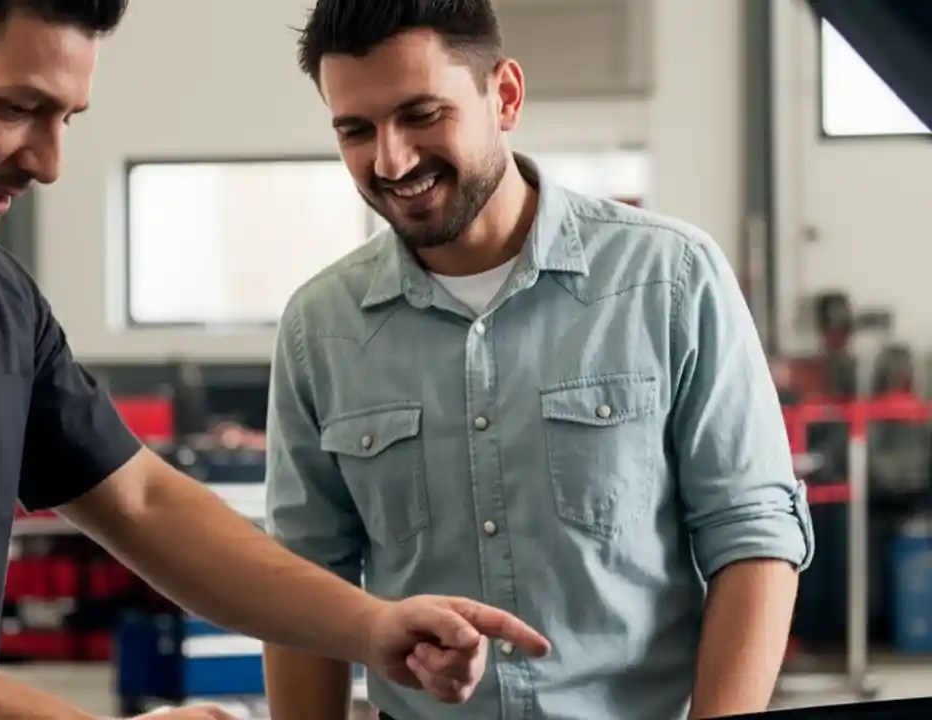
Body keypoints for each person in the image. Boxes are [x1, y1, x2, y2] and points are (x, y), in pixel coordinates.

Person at [0, 2, 554, 719]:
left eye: (67, 118)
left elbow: (142, 500)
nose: (48, 161)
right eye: (18, 109)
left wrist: (369, 626)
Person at [261, 1, 817, 719]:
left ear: (506, 96)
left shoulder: (670, 279)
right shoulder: (321, 328)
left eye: (422, 114)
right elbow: (307, 585)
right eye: (356, 130)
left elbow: (753, 534)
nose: (391, 160)